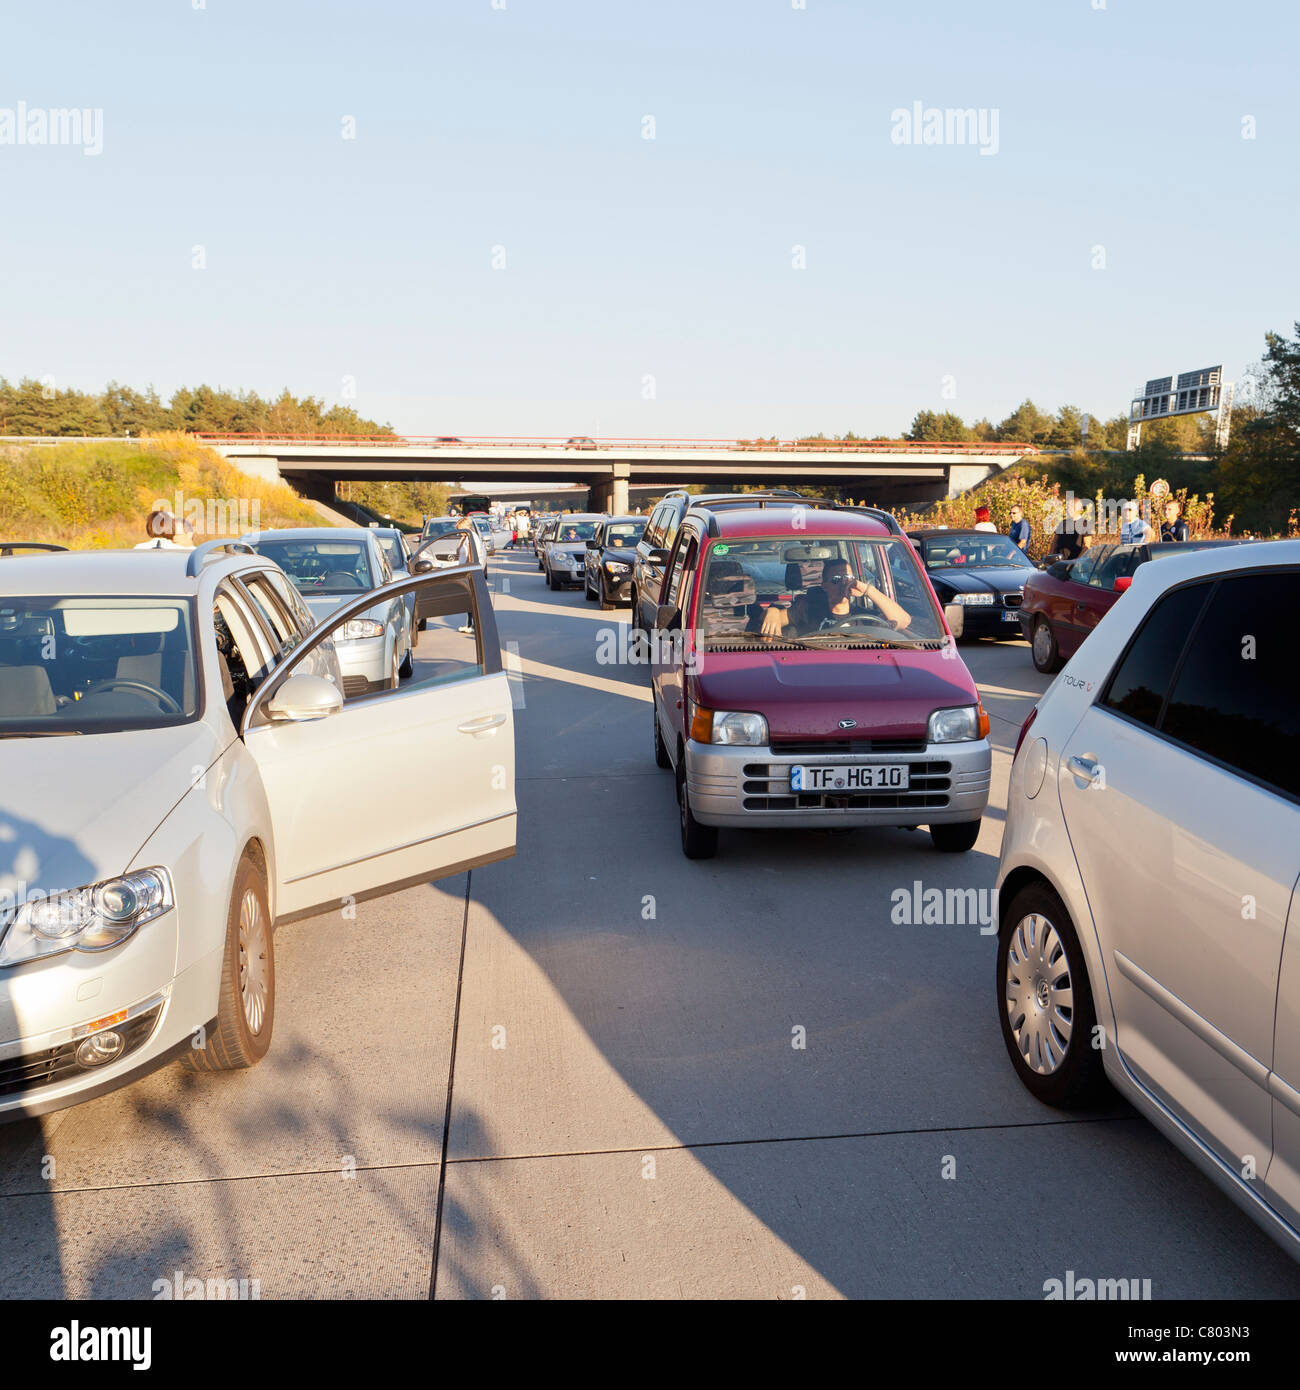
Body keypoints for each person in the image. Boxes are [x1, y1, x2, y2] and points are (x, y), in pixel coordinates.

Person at [759, 557, 911, 637]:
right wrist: (772, 611)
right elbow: (773, 619)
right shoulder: (809, 609)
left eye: (848, 578)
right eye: (837, 579)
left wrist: (867, 590)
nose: (843, 583)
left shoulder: (865, 617)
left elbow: (903, 621)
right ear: (825, 586)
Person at [1049, 498, 1088, 562]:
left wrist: (1077, 561)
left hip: (1073, 562)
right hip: (1058, 561)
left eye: (1070, 507)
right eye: (1067, 507)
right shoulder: (1063, 523)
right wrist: (1050, 557)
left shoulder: (1085, 524)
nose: (1067, 509)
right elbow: (1054, 542)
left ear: (1078, 508)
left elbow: (1087, 546)